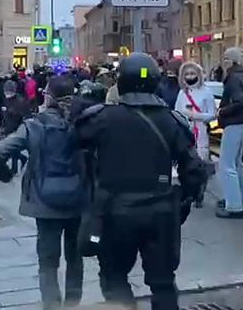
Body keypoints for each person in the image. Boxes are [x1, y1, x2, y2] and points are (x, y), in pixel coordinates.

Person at [75, 53, 208, 310]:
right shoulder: (172, 120)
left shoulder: (101, 118)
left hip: (115, 211)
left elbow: (75, 148)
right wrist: (185, 200)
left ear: (121, 81)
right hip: (160, 211)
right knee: (163, 283)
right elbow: (194, 169)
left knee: (114, 277)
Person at [0, 75, 87, 310]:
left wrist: (3, 172)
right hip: (78, 198)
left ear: (48, 96)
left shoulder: (35, 124)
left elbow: (0, 151)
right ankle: (73, 304)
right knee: (75, 257)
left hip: (45, 200)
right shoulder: (83, 123)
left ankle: (52, 305)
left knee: (48, 261)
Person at [216, 47, 243, 218]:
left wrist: (222, 112)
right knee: (238, 163)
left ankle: (233, 205)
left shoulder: (232, 78)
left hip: (234, 121)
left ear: (232, 60)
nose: (224, 61)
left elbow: (238, 100)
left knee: (227, 165)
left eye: (226, 58)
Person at [174, 61, 216, 206]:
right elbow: (177, 112)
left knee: (200, 162)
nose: (190, 77)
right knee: (185, 162)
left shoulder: (206, 92)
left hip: (201, 131)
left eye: (192, 74)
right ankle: (188, 192)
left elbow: (212, 114)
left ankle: (200, 192)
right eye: (187, 74)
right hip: (186, 131)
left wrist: (195, 116)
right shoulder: (182, 93)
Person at [0, 79, 31, 174]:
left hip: (16, 126)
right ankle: (21, 159)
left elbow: (23, 114)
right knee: (12, 148)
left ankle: (14, 168)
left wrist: (11, 112)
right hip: (9, 125)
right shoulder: (8, 100)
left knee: (13, 147)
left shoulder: (19, 101)